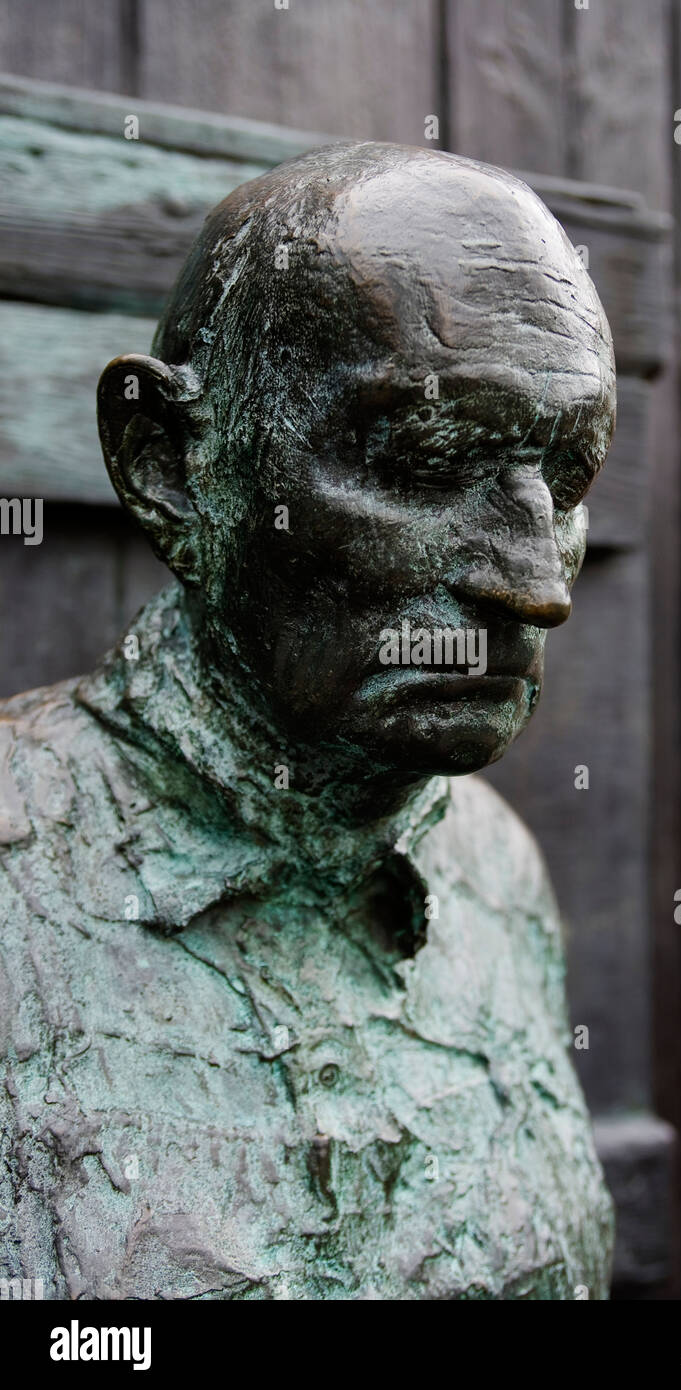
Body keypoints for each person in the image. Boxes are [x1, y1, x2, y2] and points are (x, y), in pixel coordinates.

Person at [0, 142, 616, 1299]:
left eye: (568, 479)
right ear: (172, 465)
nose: (540, 587)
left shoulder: (493, 872)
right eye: (430, 460)